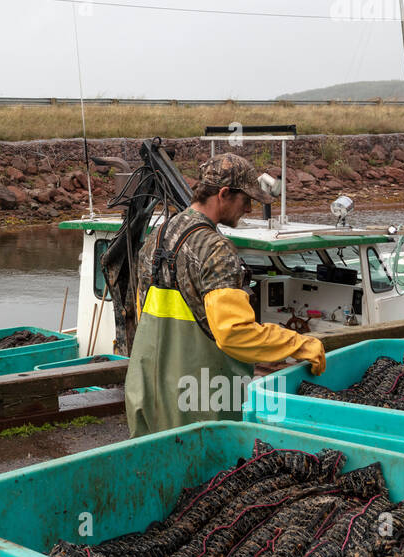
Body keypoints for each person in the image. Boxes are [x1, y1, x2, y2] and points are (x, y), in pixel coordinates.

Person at [125, 152, 326, 437]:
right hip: (198, 402)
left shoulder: (158, 235)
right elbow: (234, 334)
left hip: (146, 393)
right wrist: (300, 345)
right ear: (223, 194)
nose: (249, 209)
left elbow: (140, 307)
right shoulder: (215, 249)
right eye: (246, 200)